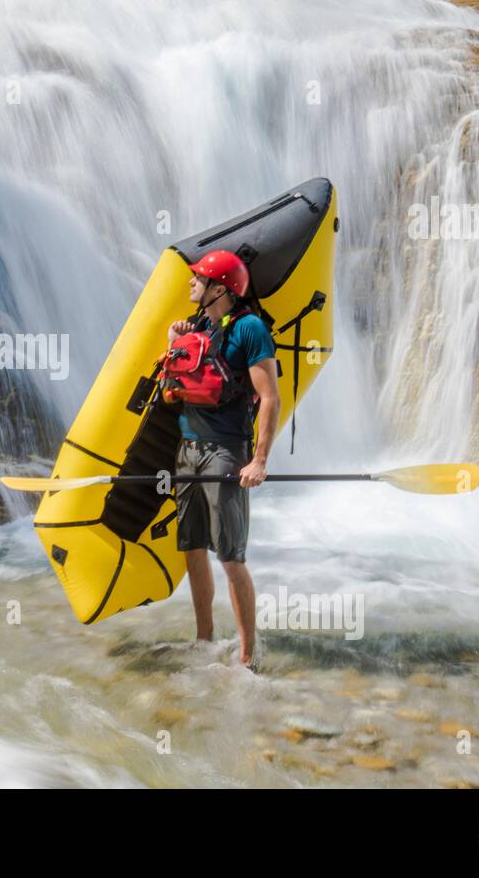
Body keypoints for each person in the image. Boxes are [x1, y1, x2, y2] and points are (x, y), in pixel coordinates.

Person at [166, 250, 280, 664]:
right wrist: (174, 341)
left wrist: (260, 460)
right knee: (193, 547)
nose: (191, 283)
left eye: (199, 278)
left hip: (225, 453)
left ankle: (248, 659)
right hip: (188, 451)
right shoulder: (200, 327)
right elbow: (179, 382)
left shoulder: (250, 330)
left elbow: (270, 397)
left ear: (220, 288)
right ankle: (204, 640)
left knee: (231, 557)